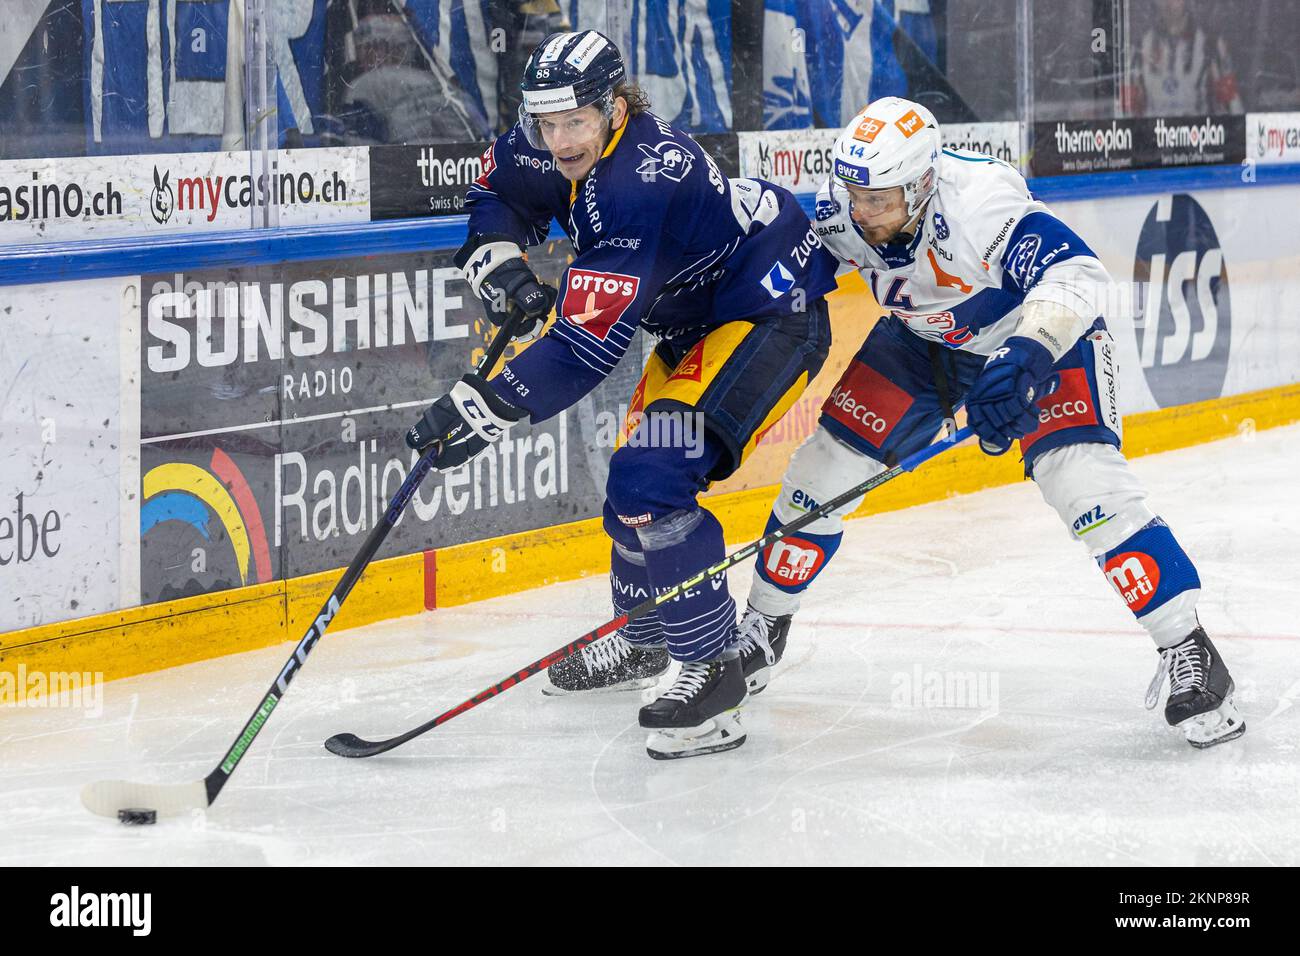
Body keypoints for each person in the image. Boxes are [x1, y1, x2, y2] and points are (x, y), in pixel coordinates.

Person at [734, 96, 1245, 749]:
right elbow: (788, 278)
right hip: (923, 348)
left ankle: (1189, 648)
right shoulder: (843, 208)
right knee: (820, 474)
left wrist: (1027, 353)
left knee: (1087, 490)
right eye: (855, 195)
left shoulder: (980, 200)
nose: (862, 213)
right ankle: (762, 628)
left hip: (1039, 341)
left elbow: (1077, 272)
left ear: (922, 186)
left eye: (880, 200)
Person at [407, 30, 837, 759]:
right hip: (693, 323)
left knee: (653, 476)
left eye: (575, 121)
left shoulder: (640, 179)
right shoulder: (539, 138)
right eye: (546, 124)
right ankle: (642, 642)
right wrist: (503, 264)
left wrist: (482, 408)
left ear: (613, 107)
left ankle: (713, 673)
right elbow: (497, 194)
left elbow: (584, 349)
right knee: (630, 491)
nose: (560, 139)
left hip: (768, 309)